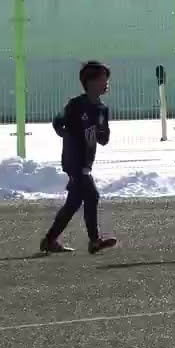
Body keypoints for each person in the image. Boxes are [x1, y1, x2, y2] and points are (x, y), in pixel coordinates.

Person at [40, 61, 118, 255]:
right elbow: (58, 121)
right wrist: (67, 134)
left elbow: (104, 139)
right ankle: (94, 241)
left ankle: (49, 240)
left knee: (74, 203)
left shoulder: (101, 109)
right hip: (74, 161)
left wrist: (100, 130)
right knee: (92, 195)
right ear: (90, 82)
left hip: (86, 162)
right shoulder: (76, 104)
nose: (106, 83)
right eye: (102, 79)